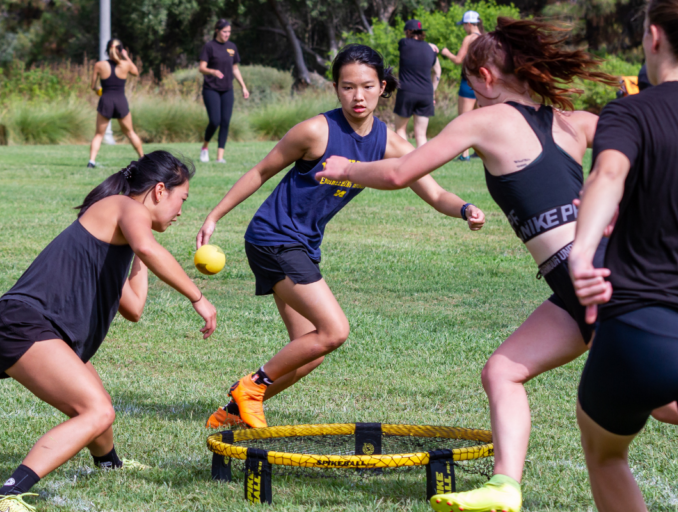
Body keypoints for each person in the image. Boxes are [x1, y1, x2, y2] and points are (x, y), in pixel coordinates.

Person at [314, 18, 669, 512]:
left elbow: (400, 171)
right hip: (580, 279)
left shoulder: (486, 118)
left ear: (481, 76)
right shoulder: (569, 119)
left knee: (662, 399)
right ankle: (505, 487)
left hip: (586, 277)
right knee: (502, 370)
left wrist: (345, 167)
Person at [197, 44, 485, 430]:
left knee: (310, 352)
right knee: (335, 331)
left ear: (383, 87)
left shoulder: (389, 143)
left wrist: (465, 208)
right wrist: (215, 215)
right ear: (336, 88)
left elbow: (434, 193)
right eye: (348, 87)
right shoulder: (316, 131)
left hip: (302, 245)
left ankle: (230, 413)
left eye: (367, 86)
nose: (358, 96)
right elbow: (261, 170)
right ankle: (251, 387)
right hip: (274, 239)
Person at [0, 151, 217, 512]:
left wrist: (139, 252)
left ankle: (109, 465)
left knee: (98, 404)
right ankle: (6, 495)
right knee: (97, 411)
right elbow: (149, 248)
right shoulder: (121, 205)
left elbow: (134, 308)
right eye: (181, 198)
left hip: (45, 331)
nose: (181, 210)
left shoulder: (120, 237)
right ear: (158, 191)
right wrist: (197, 296)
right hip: (24, 324)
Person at [569, 0, 678, 509]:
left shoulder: (631, 110)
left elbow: (608, 176)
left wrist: (582, 253)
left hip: (643, 331)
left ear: (654, 37)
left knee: (606, 452)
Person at [199, 19, 250, 164]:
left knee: (225, 121)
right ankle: (205, 147)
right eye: (224, 32)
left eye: (229, 32)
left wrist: (243, 86)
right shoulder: (209, 47)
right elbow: (201, 67)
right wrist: (212, 71)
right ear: (217, 31)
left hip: (227, 89)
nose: (227, 34)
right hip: (211, 89)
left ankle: (220, 157)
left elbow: (235, 69)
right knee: (215, 121)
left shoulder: (232, 47)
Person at [88, 39, 144, 168]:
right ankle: (142, 158)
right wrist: (126, 57)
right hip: (120, 102)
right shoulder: (125, 65)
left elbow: (93, 86)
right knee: (130, 133)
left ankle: (91, 161)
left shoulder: (99, 65)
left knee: (98, 134)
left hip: (106, 100)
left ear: (107, 50)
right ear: (121, 50)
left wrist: (99, 91)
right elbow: (136, 72)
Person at [441, 10, 482, 161]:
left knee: (463, 120)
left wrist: (447, 53)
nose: (464, 28)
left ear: (469, 24)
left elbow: (458, 60)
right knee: (480, 120)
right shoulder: (485, 38)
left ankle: (464, 155)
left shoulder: (469, 38)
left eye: (464, 25)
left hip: (468, 83)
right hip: (482, 85)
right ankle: (480, 151)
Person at [394, 19, 441, 147]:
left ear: (408, 31)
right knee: (421, 135)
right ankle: (422, 166)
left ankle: (405, 160)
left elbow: (409, 44)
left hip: (407, 92)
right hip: (426, 94)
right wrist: (433, 92)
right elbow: (437, 71)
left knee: (400, 130)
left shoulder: (404, 43)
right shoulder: (431, 50)